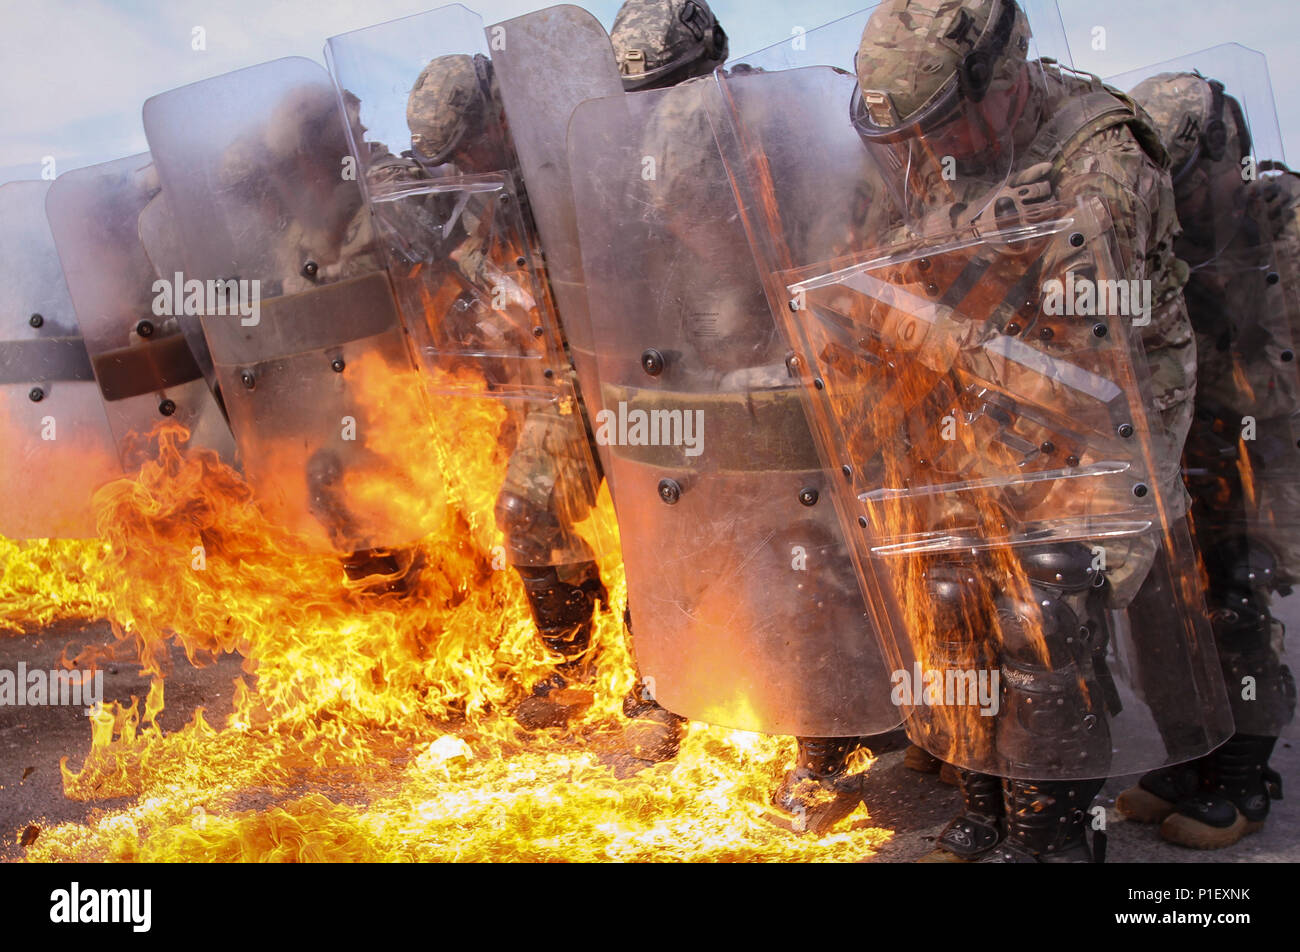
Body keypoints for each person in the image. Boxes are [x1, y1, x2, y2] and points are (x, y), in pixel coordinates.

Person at [846, 0, 1212, 861]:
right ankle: (990, 803)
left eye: (946, 124)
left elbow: (1074, 359)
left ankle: (1053, 836)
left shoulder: (1102, 160)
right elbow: (862, 275)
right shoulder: (934, 145)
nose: (930, 151)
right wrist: (972, 235)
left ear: (1003, 80)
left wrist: (923, 304)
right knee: (948, 594)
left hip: (1102, 416)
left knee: (1042, 609)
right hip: (983, 407)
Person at [1119, 70, 1296, 848]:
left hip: (1265, 448)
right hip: (1185, 442)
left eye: (1188, 180)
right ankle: (1197, 753)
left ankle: (1244, 772)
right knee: (1173, 611)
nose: (1181, 199)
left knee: (1237, 599)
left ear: (1227, 156)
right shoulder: (1159, 228)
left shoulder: (1281, 220)